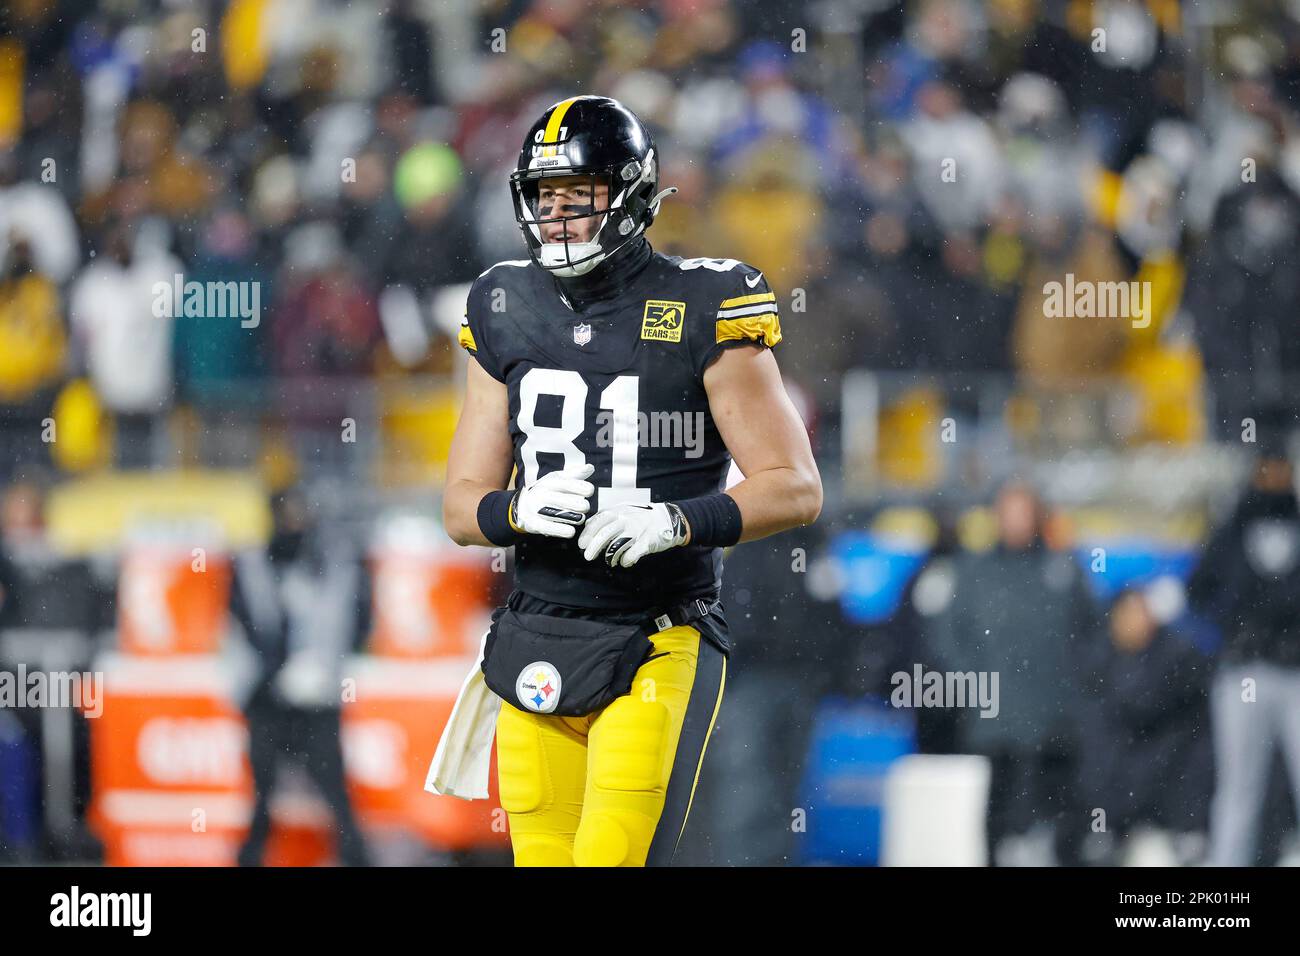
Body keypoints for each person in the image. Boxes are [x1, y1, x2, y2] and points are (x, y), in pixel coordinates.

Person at [436, 96, 822, 867]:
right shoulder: (504, 302)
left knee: (612, 859)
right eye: (546, 197)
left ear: (633, 194)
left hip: (656, 633)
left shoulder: (704, 301)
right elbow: (458, 508)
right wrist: (515, 509)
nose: (559, 216)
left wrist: (678, 521)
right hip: (537, 630)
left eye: (579, 196)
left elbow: (795, 485)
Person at [1188, 417, 1300, 866]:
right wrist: (1238, 629)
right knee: (1239, 789)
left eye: (1281, 469)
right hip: (1244, 673)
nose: (1273, 478)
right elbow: (1201, 590)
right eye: (1265, 469)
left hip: (1295, 674)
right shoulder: (1231, 529)